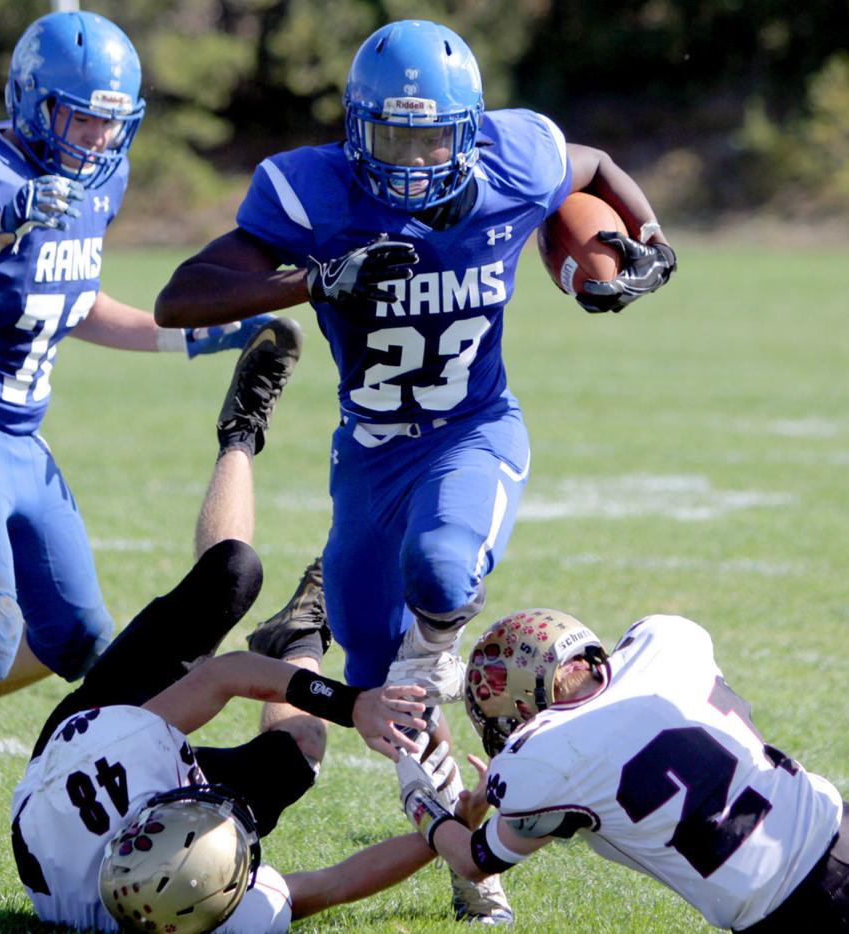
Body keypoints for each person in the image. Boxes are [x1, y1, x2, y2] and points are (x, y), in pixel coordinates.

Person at [153, 18, 676, 922]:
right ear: (356, 129)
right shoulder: (314, 190)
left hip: (474, 429)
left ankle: (475, 846)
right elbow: (180, 296)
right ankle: (457, 838)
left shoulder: (514, 157)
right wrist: (313, 281)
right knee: (376, 682)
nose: (417, 158)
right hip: (370, 456)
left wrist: (649, 235)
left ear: (471, 128)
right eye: (394, 136)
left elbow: (587, 166)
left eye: (436, 134)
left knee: (439, 574)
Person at [0, 11, 275, 881]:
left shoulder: (96, 179)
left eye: (112, 119)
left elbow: (74, 302)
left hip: (19, 434)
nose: (97, 135)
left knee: (76, 637)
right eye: (79, 116)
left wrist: (189, 339)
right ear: (31, 104)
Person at [11, 316, 448, 933]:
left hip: (84, 741)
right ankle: (299, 634)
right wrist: (460, 829)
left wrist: (352, 706)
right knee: (300, 751)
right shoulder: (222, 911)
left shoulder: (128, 749)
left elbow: (229, 675)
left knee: (231, 574)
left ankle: (241, 430)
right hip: (119, 811)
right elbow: (328, 886)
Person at [393, 609, 849, 934]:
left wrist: (435, 807)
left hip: (791, 914)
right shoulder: (665, 644)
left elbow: (478, 858)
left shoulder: (543, 758)